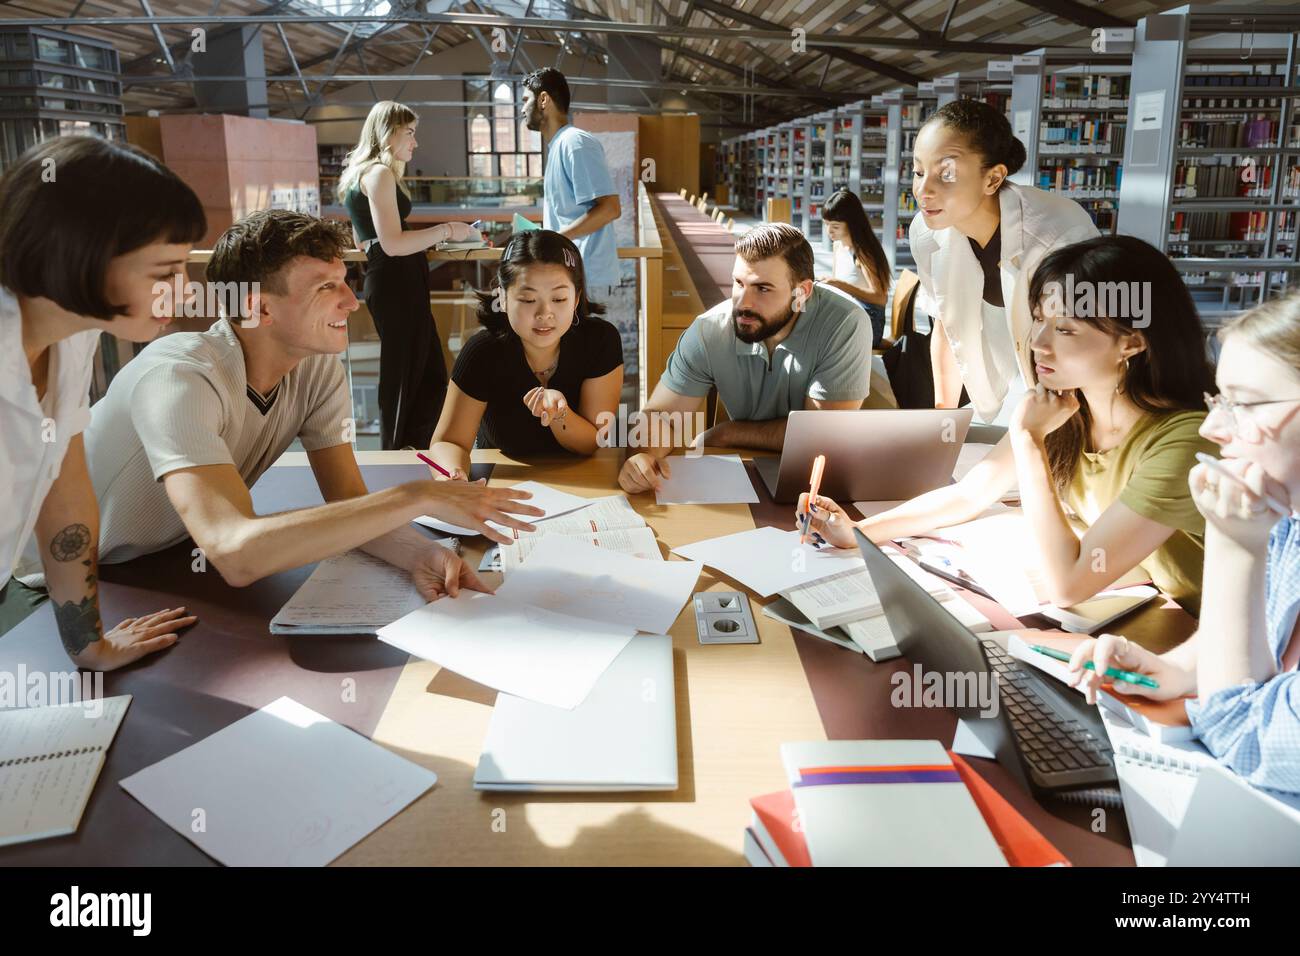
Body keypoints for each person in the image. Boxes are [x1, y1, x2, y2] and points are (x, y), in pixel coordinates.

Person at [83, 209, 542, 595]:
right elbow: (235, 551)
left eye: (346, 280)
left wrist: (421, 553)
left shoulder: (315, 367)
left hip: (170, 559)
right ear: (258, 309)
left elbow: (345, 498)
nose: (352, 302)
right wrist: (418, 496)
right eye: (325, 288)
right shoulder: (179, 377)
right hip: (82, 577)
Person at [799, 236, 1217, 616]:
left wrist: (1029, 440)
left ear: (1133, 341)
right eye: (1039, 319)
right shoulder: (1069, 405)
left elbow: (1069, 585)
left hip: (1201, 639)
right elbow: (970, 494)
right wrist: (858, 533)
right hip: (1141, 614)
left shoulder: (1183, 441)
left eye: (1066, 329)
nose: (1039, 343)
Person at [1066, 293, 1300, 793]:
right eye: (1221, 399)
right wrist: (1175, 668)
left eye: (1245, 403)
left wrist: (1234, 544)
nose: (1213, 427)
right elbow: (1263, 641)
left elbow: (1243, 740)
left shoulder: (1258, 526)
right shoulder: (1289, 523)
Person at [0, 136, 204, 668]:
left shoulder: (70, 333)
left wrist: (90, 644)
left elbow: (63, 495)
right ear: (77, 253)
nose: (184, 293)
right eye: (164, 273)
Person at [618, 222, 874, 494]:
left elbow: (820, 436)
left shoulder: (845, 323)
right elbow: (661, 417)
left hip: (819, 480)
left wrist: (729, 433)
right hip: (740, 475)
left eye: (762, 288)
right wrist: (643, 456)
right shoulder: (709, 331)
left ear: (802, 293)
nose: (744, 303)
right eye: (739, 283)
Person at [910, 99, 1099, 424]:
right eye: (917, 171)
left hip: (1083, 392)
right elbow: (946, 325)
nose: (923, 190)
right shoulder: (926, 234)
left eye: (947, 173)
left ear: (993, 179)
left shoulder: (1058, 236)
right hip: (1018, 388)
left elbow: (1088, 343)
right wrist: (943, 422)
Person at [338, 100, 480, 449]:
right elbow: (392, 244)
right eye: (410, 133)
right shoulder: (381, 173)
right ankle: (400, 452)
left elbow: (364, 241)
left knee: (419, 367)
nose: (415, 143)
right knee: (409, 373)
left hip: (391, 278)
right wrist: (448, 229)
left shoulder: (361, 175)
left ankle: (414, 447)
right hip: (396, 278)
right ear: (388, 134)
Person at [428, 230, 623, 475]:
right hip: (501, 479)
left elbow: (591, 443)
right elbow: (447, 442)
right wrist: (452, 476)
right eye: (528, 300)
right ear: (503, 298)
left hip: (584, 478)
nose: (545, 313)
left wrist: (559, 415)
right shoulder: (483, 352)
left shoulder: (600, 341)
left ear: (576, 300)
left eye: (559, 299)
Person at [522, 67, 622, 292]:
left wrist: (552, 239)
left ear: (543, 99)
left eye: (525, 100)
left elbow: (611, 208)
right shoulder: (559, 145)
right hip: (569, 277)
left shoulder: (575, 143)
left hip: (585, 279)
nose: (522, 109)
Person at [819, 187, 891, 348]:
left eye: (835, 226)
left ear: (851, 225)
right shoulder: (838, 246)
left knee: (817, 334)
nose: (829, 231)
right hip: (849, 313)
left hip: (868, 322)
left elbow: (880, 297)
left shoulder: (863, 252)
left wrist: (841, 285)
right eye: (826, 224)